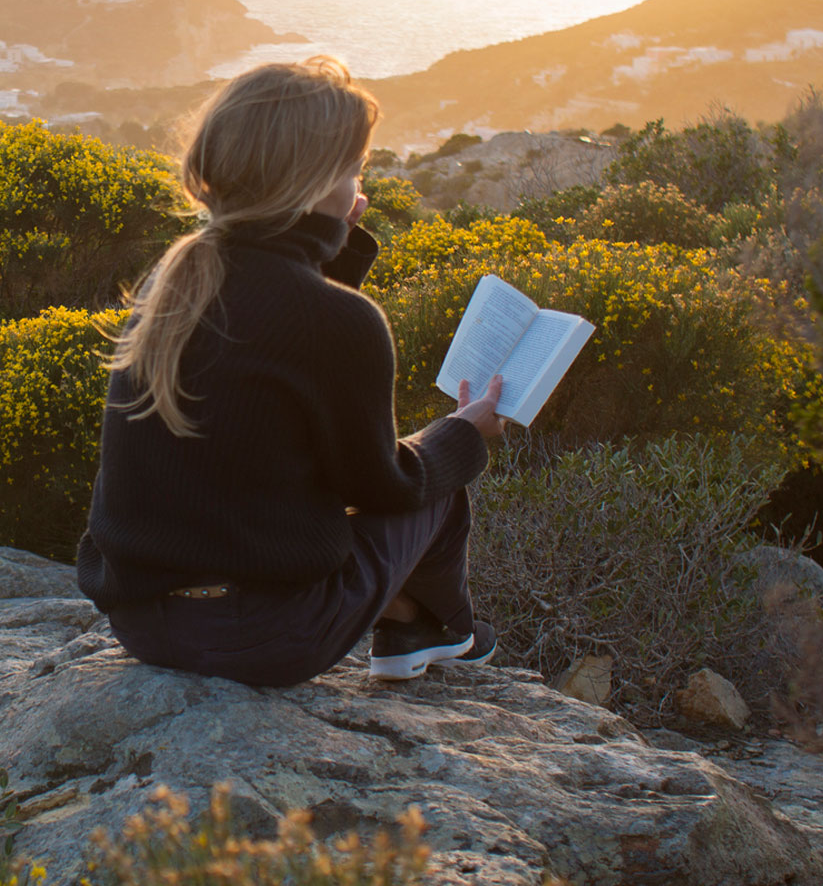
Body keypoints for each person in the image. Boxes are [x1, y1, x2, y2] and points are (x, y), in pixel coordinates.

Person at [75, 55, 507, 688]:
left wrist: (331, 242)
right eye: (353, 169)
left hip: (142, 626)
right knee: (443, 478)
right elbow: (381, 486)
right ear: (312, 184)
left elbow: (276, 329)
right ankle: (433, 628)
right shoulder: (339, 321)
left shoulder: (171, 286)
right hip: (267, 639)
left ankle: (414, 622)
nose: (359, 183)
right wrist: (466, 433)